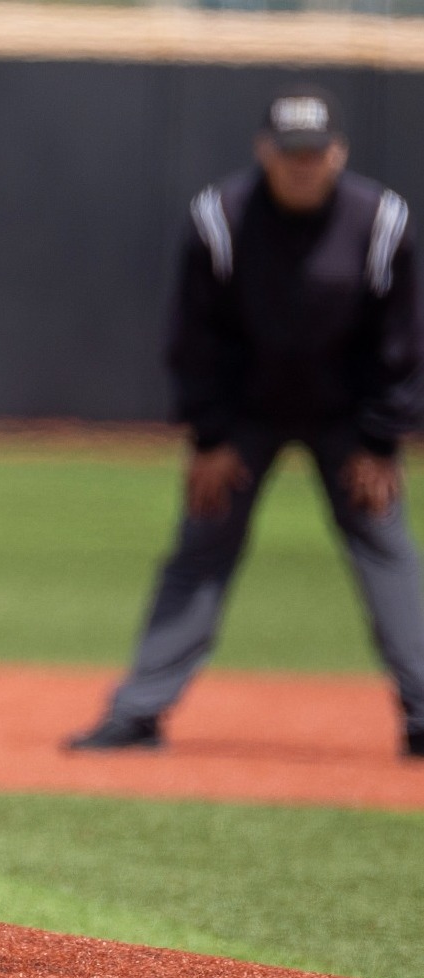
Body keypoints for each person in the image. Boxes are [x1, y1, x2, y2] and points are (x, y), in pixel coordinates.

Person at [66, 85, 424, 760]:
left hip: (350, 417)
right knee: (199, 550)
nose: (301, 166)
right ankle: (138, 710)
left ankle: (422, 711)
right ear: (264, 152)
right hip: (244, 414)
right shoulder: (220, 218)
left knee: (386, 551)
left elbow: (402, 344)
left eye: (313, 154)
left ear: (337, 153)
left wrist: (380, 440)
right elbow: (192, 339)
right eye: (289, 154)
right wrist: (208, 435)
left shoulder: (379, 222)